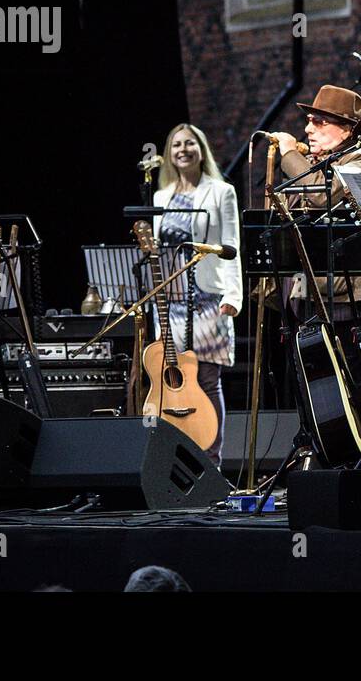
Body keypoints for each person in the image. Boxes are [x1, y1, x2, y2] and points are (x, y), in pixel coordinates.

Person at [270, 85, 361, 393]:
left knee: (352, 384)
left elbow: (322, 195)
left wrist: (289, 154)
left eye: (319, 122)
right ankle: (312, 438)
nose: (308, 128)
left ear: (347, 128)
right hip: (304, 291)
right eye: (308, 120)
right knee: (310, 387)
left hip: (344, 295)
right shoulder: (312, 165)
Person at [153, 123, 243, 466]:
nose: (182, 149)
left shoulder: (221, 192)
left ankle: (212, 460)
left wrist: (233, 296)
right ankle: (177, 457)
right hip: (171, 304)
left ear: (201, 149)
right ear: (168, 153)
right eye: (176, 144)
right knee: (174, 381)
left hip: (208, 300)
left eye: (189, 143)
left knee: (206, 379)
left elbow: (230, 246)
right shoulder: (161, 197)